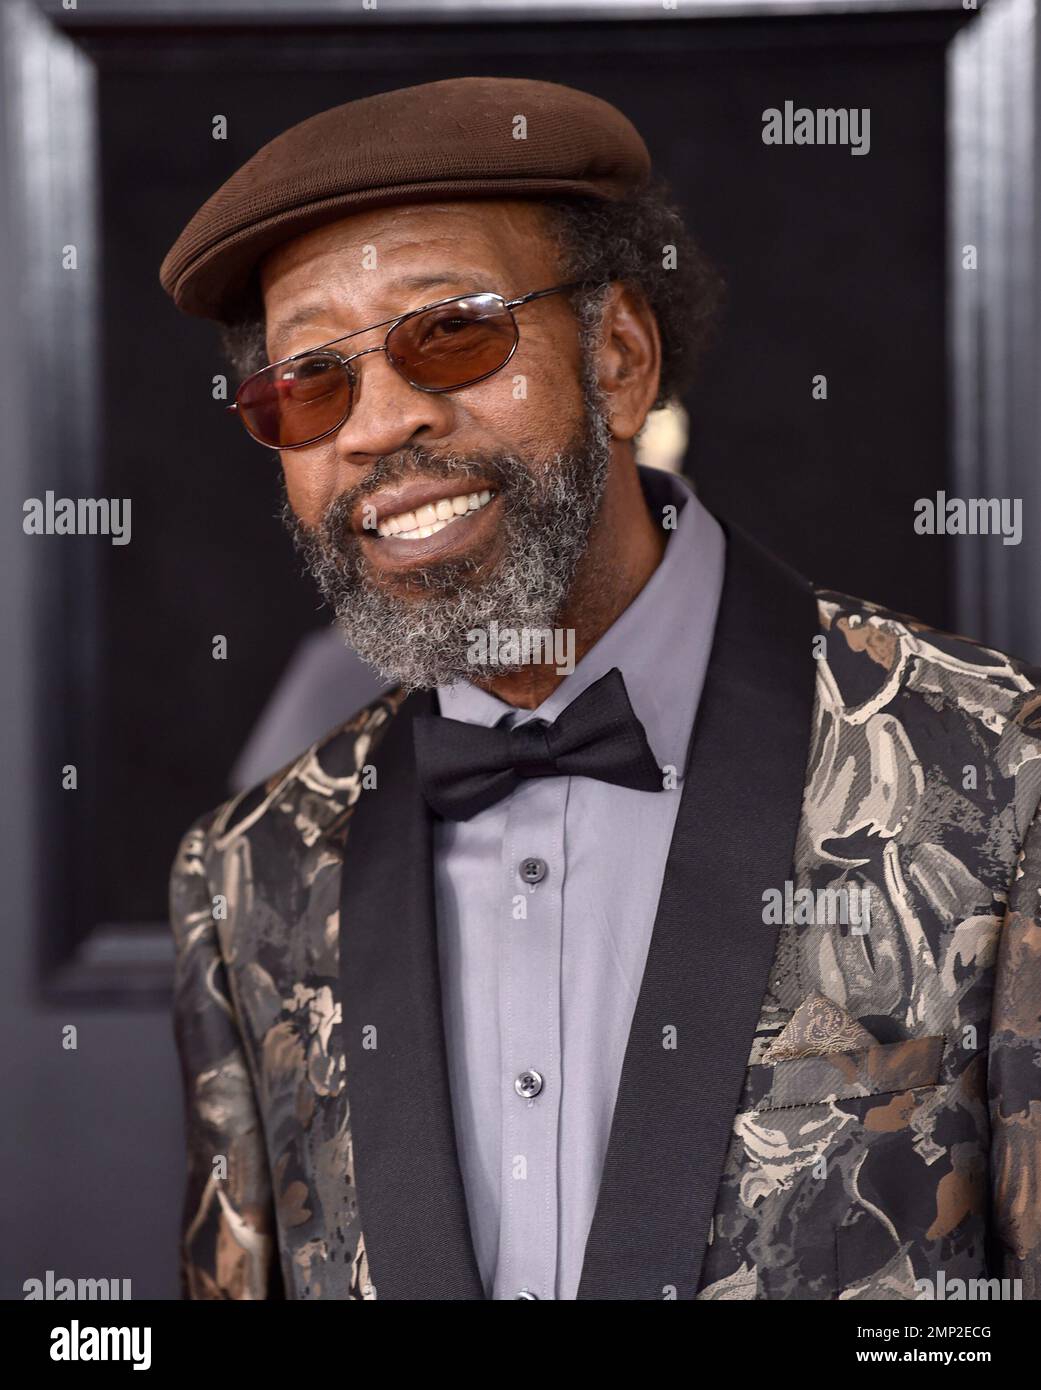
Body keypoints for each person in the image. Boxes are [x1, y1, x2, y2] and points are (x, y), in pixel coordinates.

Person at [161, 76, 1041, 1301]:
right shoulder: (244, 875)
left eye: (450, 331)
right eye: (310, 381)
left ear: (620, 358)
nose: (375, 426)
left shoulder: (1005, 771)